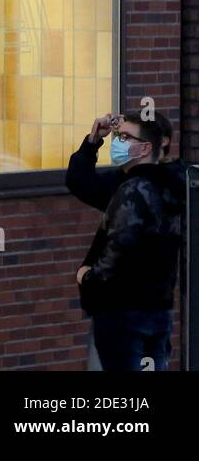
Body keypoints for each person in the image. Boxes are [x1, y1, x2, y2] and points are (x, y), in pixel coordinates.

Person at [66, 111, 179, 369]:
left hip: (126, 309)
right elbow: (79, 181)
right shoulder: (129, 182)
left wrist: (87, 277)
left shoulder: (148, 187)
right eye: (118, 137)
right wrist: (93, 140)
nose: (119, 143)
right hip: (151, 307)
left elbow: (119, 251)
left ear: (152, 145)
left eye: (125, 137)